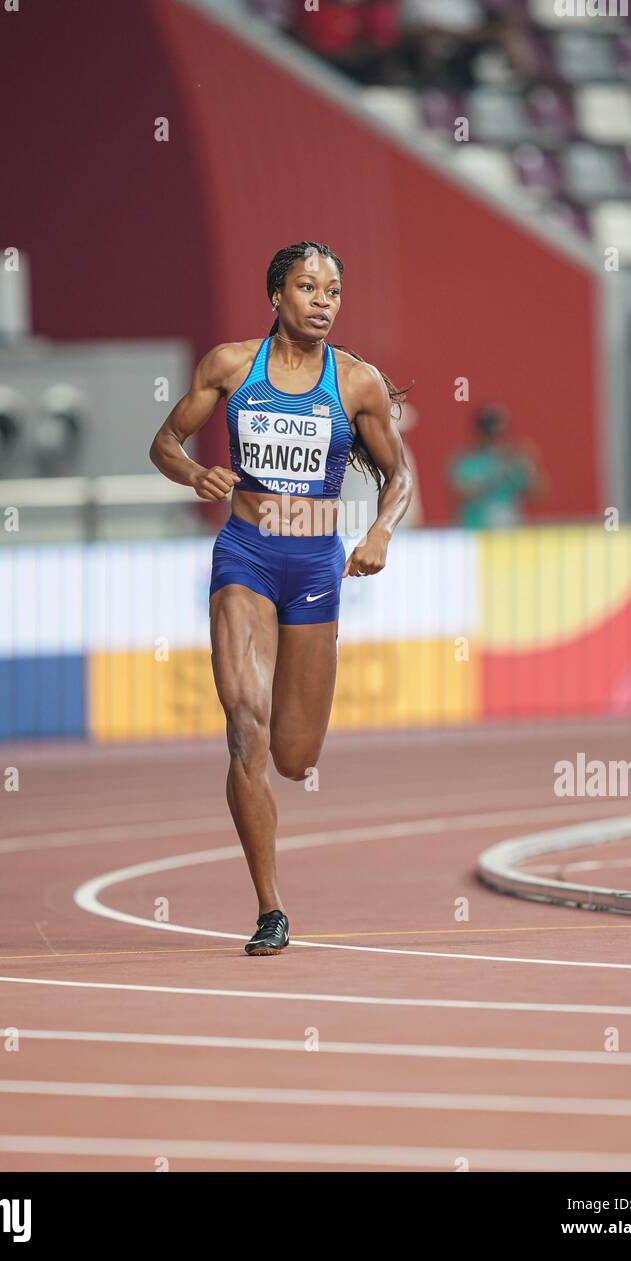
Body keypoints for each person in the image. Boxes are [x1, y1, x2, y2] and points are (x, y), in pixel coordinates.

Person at [149, 242, 412, 954]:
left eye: (333, 290)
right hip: (247, 556)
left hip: (317, 567)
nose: (322, 301)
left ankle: (283, 773)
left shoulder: (357, 382)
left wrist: (381, 531)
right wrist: (194, 474)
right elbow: (165, 442)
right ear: (276, 296)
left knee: (295, 758)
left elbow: (399, 473)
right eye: (307, 287)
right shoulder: (232, 367)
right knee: (244, 723)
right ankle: (270, 908)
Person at [448, 403, 545, 527]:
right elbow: (462, 494)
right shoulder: (464, 461)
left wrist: (530, 467)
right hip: (476, 532)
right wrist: (493, 472)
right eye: (490, 434)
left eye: (500, 433)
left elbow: (539, 496)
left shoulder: (514, 458)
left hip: (510, 534)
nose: (496, 438)